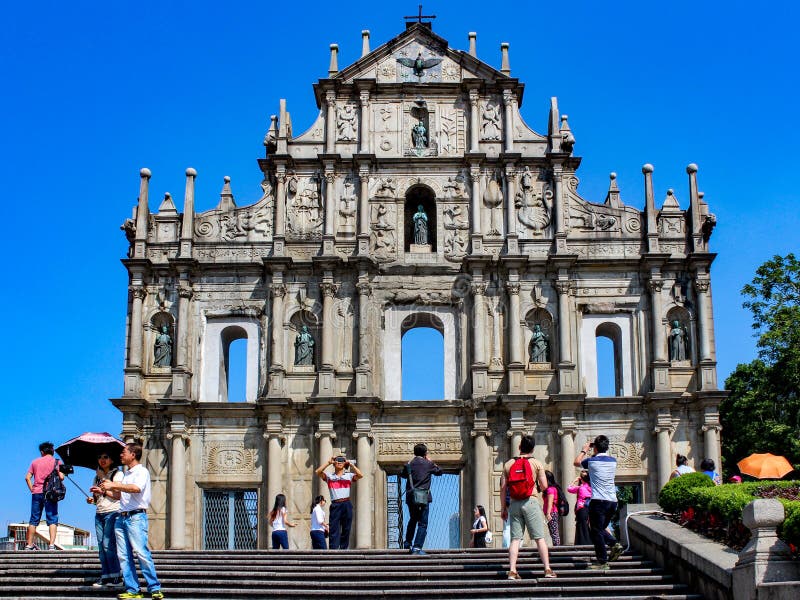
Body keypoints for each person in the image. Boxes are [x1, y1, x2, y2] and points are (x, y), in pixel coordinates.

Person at [97, 442, 163, 600]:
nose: (121, 455)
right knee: (123, 555)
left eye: (124, 452)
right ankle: (133, 589)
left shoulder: (142, 471)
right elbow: (121, 496)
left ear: (133, 454)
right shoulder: (126, 474)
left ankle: (154, 587)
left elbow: (136, 489)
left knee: (141, 552)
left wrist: (114, 484)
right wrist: (104, 491)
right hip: (122, 516)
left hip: (136, 517)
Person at [500, 434, 556, 580]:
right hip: (530, 501)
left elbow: (503, 488)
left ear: (519, 447)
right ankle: (547, 569)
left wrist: (503, 508)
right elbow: (544, 486)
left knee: (515, 539)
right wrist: (535, 485)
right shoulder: (537, 463)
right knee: (539, 538)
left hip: (514, 503)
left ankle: (512, 570)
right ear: (532, 448)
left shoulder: (508, 464)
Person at [574, 435, 624, 570]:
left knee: (595, 531)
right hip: (612, 501)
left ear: (594, 447)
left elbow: (576, 462)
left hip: (598, 501)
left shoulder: (591, 461)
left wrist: (584, 450)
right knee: (600, 529)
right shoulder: (613, 461)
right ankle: (614, 544)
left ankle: (603, 561)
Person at [87, 453, 124, 588]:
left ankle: (116, 576)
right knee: (101, 547)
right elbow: (97, 498)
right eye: (100, 457)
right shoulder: (96, 477)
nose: (102, 460)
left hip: (113, 512)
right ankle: (105, 575)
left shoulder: (117, 475)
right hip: (99, 513)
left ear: (112, 460)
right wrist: (92, 499)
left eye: (105, 457)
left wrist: (103, 490)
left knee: (109, 544)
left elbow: (119, 495)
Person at [402, 443, 443, 555]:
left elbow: (403, 475)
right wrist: (432, 462)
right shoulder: (428, 464)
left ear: (414, 453)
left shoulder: (409, 464)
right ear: (425, 453)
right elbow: (439, 472)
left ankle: (407, 543)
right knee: (422, 523)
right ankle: (417, 547)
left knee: (412, 519)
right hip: (423, 496)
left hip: (411, 497)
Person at [315, 455, 363, 549]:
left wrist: (351, 464)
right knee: (334, 528)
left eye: (342, 461)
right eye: (337, 460)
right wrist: (329, 462)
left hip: (346, 503)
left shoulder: (349, 475)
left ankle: (344, 549)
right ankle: (333, 549)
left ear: (345, 463)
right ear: (334, 463)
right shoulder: (330, 476)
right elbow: (318, 472)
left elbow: (360, 475)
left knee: (346, 528)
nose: (339, 462)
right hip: (335, 504)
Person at [24, 441, 64, 550]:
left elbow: (27, 477)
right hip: (51, 493)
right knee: (52, 518)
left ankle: (29, 545)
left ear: (42, 452)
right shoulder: (57, 462)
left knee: (33, 519)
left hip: (37, 492)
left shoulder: (35, 462)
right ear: (52, 451)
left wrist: (32, 488)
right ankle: (51, 545)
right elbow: (61, 477)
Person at [567, 469, 592, 545]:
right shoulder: (591, 487)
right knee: (585, 524)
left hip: (581, 508)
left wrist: (574, 481)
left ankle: (582, 542)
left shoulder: (581, 487)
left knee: (581, 525)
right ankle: (587, 541)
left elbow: (569, 489)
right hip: (589, 507)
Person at [542, 470, 562, 546]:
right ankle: (557, 547)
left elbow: (550, 502)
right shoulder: (550, 489)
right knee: (553, 532)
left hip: (551, 513)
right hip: (551, 513)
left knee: (554, 532)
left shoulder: (550, 489)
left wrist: (548, 513)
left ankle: (557, 549)